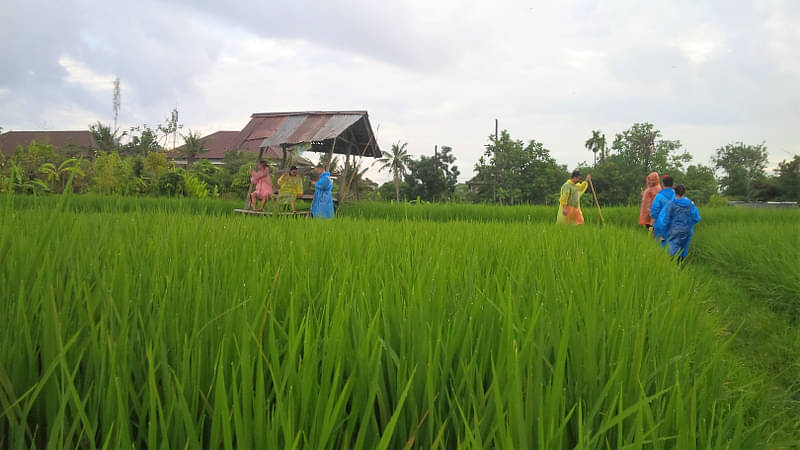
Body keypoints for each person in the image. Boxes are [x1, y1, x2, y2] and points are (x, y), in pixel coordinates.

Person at [661, 184, 701, 262]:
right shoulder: (690, 204)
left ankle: (672, 270)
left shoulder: (671, 204)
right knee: (683, 251)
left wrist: (662, 234)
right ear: (684, 192)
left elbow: (666, 220)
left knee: (672, 252)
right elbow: (696, 218)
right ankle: (680, 270)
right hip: (687, 231)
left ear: (675, 192)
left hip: (674, 231)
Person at [651, 175, 675, 244]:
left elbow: (654, 212)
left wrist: (651, 228)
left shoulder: (659, 196)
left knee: (661, 245)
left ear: (662, 184)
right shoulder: (677, 195)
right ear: (673, 185)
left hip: (661, 225)